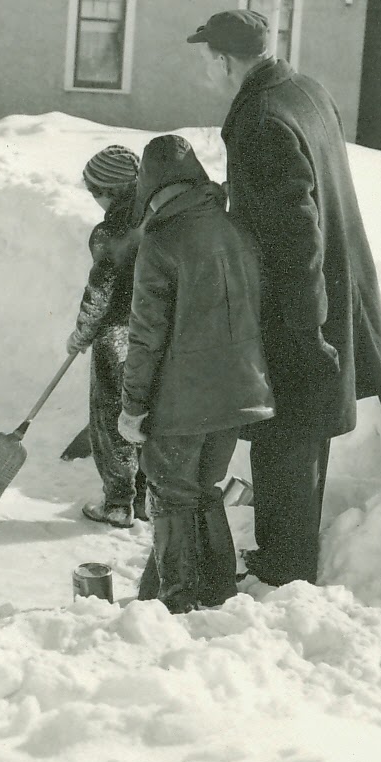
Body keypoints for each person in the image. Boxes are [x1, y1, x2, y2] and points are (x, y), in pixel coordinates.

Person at [188, 9, 381, 586]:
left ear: (225, 62)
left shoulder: (259, 117)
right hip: (333, 282)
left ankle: (285, 569)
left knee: (283, 435)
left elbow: (294, 235)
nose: (204, 70)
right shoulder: (302, 89)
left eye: (206, 58)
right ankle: (290, 555)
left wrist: (308, 332)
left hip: (299, 301)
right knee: (300, 438)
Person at [117, 134, 275, 612]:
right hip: (240, 391)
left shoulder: (161, 243)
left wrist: (132, 407)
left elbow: (145, 338)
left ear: (150, 187)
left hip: (182, 399)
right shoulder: (236, 230)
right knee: (204, 488)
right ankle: (217, 589)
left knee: (170, 493)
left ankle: (177, 599)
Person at [65, 144, 148, 528]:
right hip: (155, 336)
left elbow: (100, 292)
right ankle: (146, 500)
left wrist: (81, 334)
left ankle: (118, 503)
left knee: (111, 419)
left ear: (108, 191)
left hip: (116, 339)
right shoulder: (155, 219)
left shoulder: (109, 232)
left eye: (93, 191)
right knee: (144, 417)